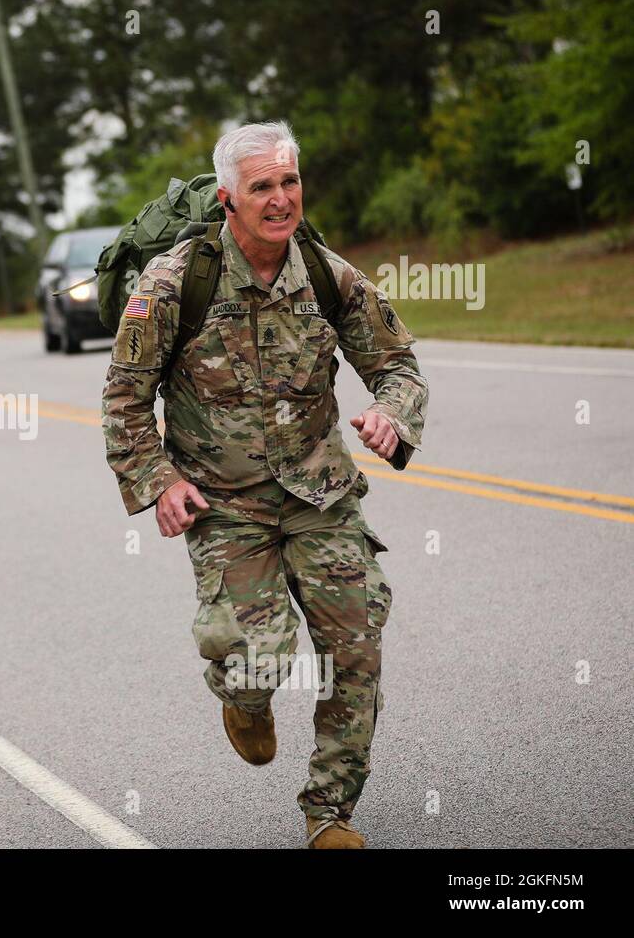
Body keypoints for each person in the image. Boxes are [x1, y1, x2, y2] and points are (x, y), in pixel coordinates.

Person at [101, 122, 429, 848]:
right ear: (227, 199)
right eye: (262, 187)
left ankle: (329, 812)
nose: (281, 200)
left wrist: (390, 412)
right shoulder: (172, 284)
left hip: (321, 492)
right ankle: (244, 701)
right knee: (252, 659)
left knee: (356, 646)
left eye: (289, 182)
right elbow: (125, 396)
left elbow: (398, 364)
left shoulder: (327, 275)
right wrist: (158, 481)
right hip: (225, 504)